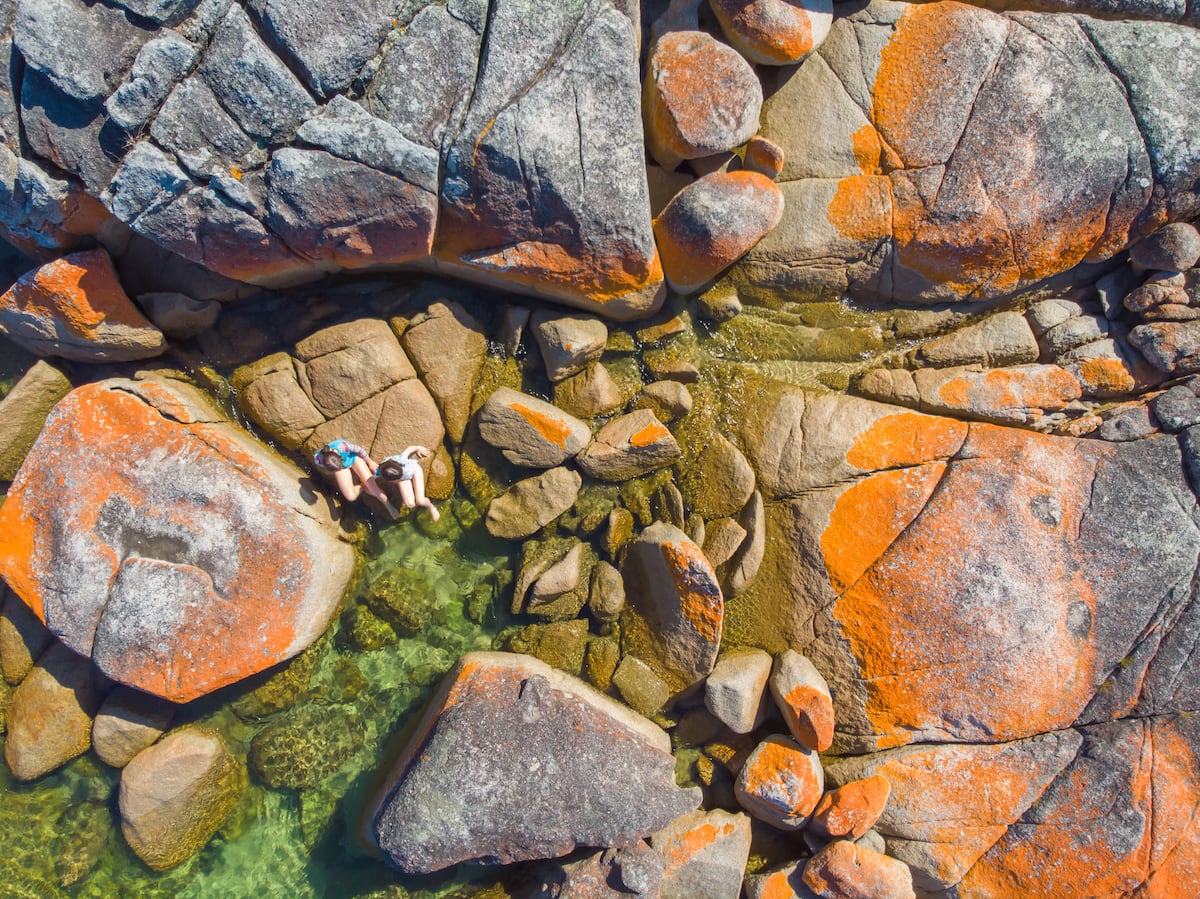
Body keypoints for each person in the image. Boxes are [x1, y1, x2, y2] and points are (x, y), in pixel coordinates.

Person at [312, 439, 400, 519]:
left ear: (339, 457)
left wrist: (369, 462)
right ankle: (363, 486)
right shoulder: (319, 459)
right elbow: (326, 467)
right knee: (351, 497)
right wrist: (340, 468)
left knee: (374, 490)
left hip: (353, 459)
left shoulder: (343, 446)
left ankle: (388, 505)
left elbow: (359, 450)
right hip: (340, 467)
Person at [375, 445, 440, 521]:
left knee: (420, 501)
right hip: (403, 479)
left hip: (414, 471)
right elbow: (374, 476)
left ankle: (430, 506)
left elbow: (409, 449)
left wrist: (418, 448)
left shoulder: (401, 459)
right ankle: (402, 479)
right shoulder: (381, 470)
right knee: (410, 504)